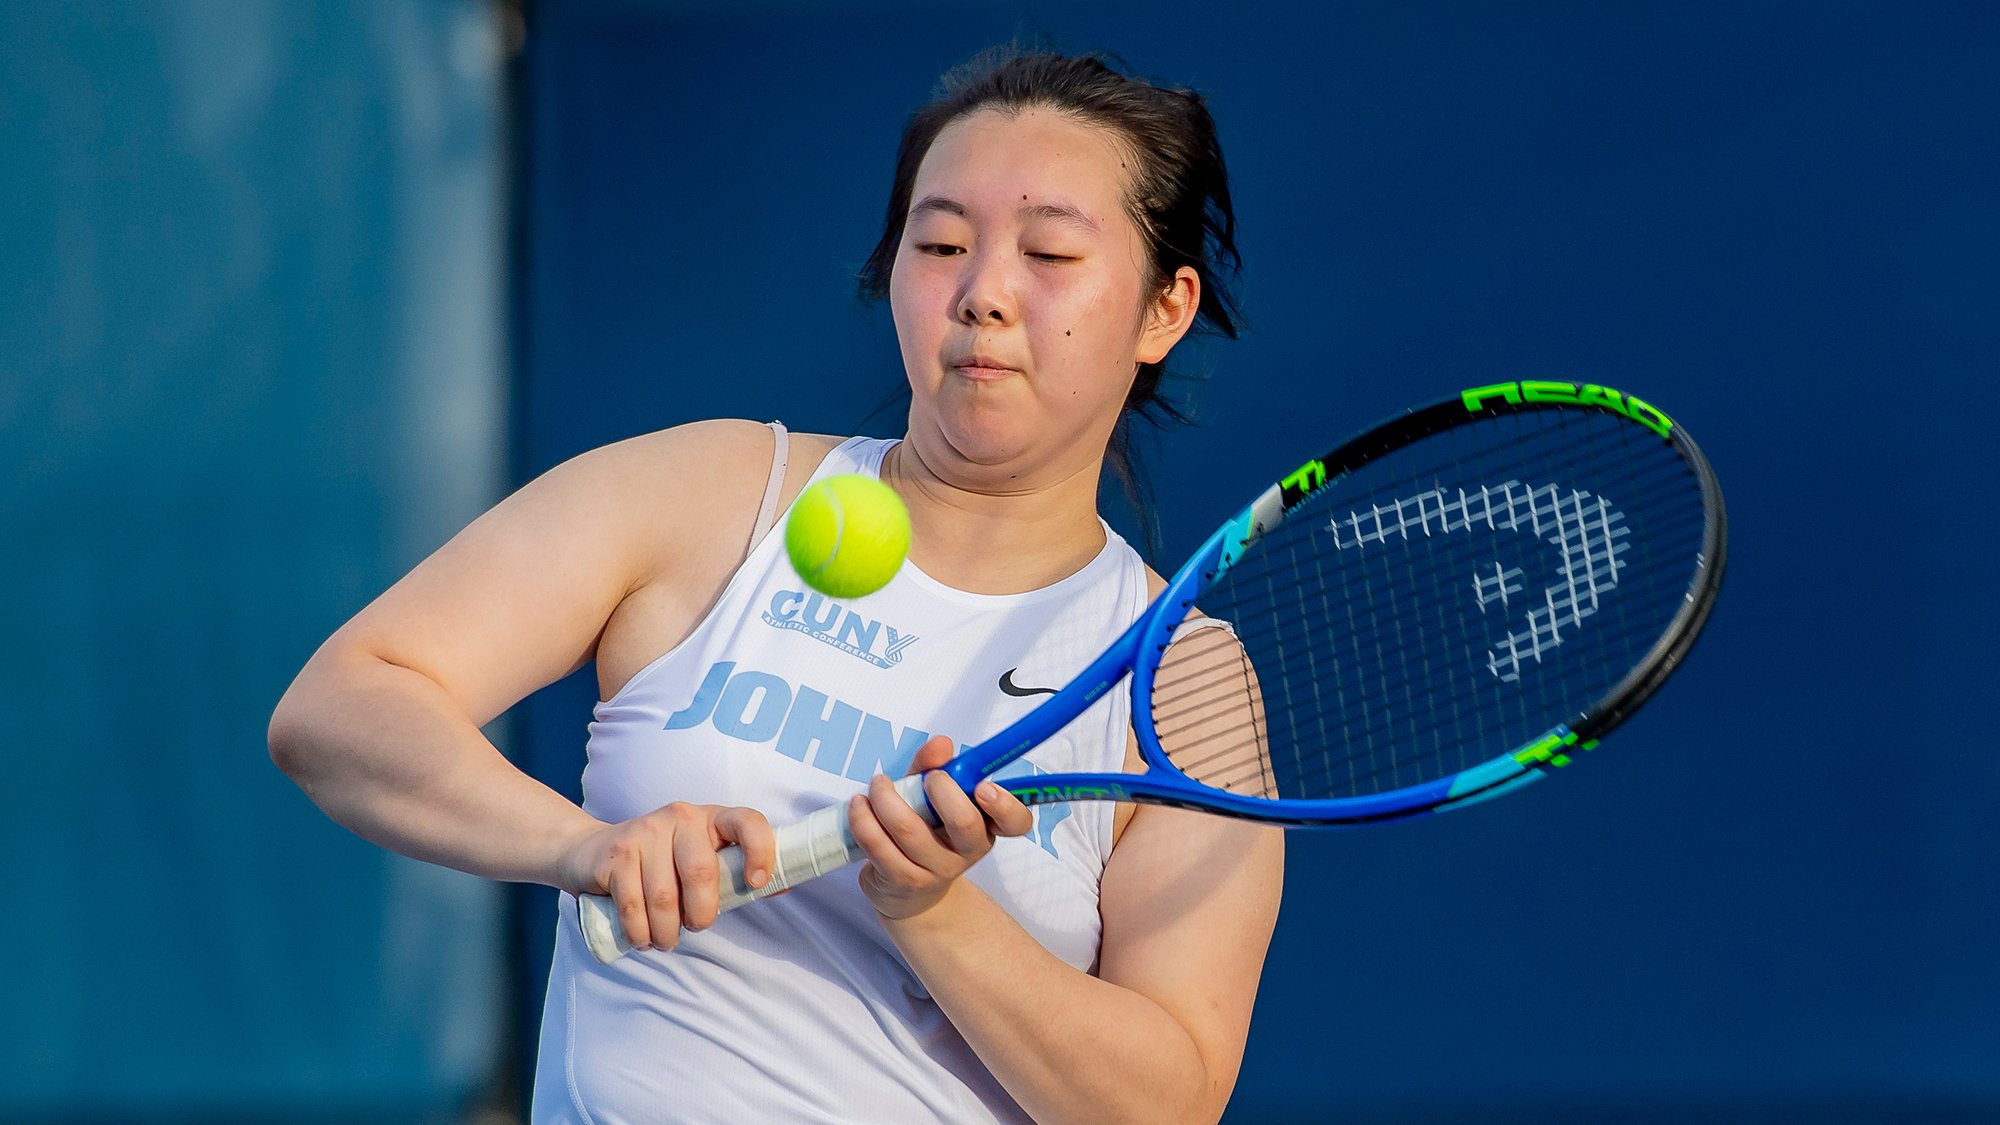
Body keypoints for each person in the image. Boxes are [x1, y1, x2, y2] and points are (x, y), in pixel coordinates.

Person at [270, 46, 1283, 1124]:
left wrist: (932, 910)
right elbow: (339, 709)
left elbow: (1166, 1103)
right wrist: (585, 849)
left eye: (1048, 253)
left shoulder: (1181, 679)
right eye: (939, 242)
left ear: (1163, 311)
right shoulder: (709, 494)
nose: (982, 293)